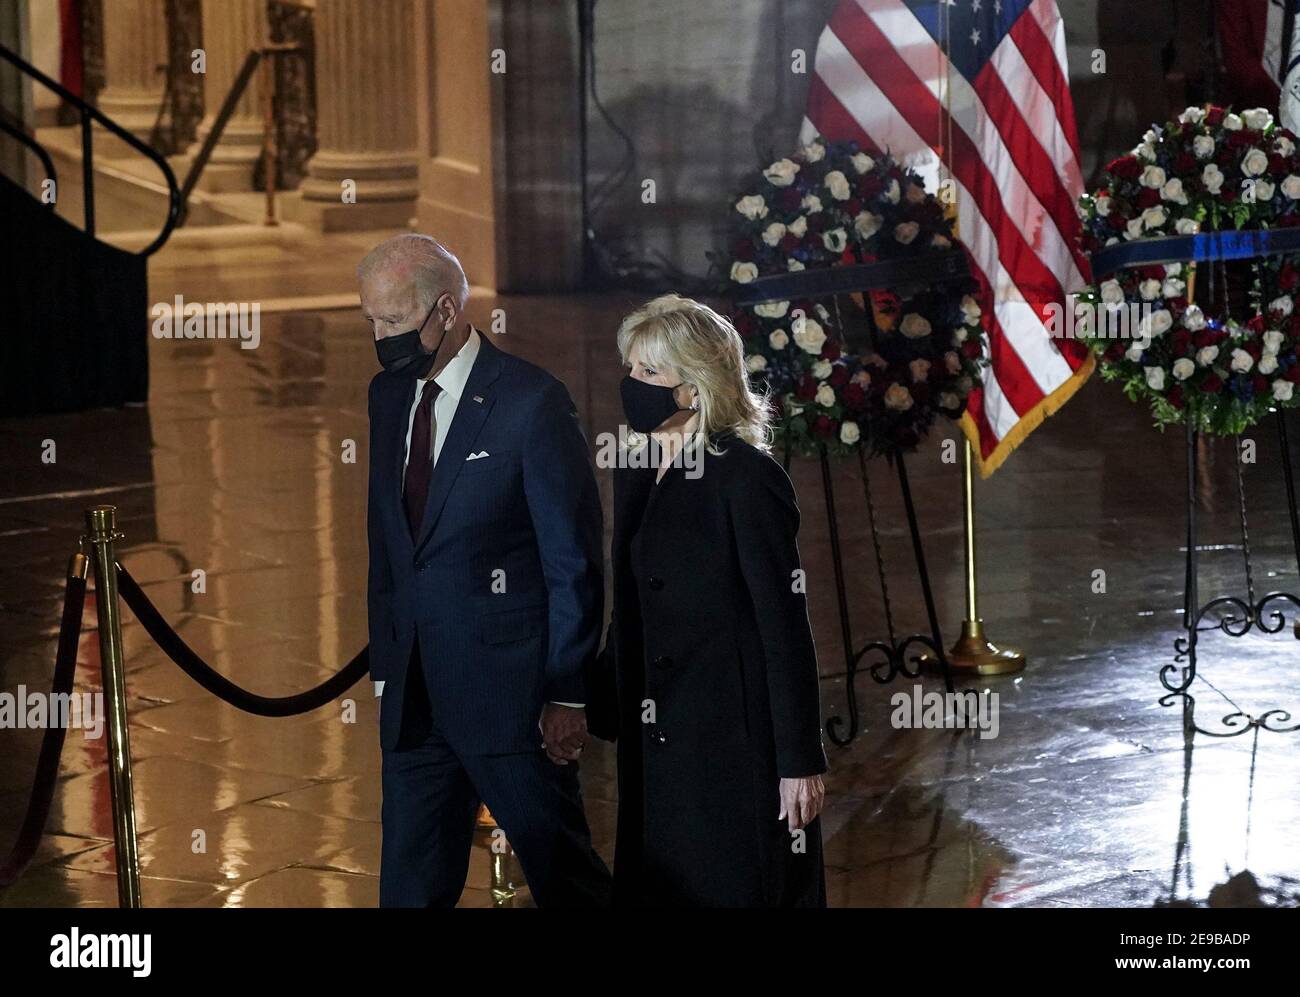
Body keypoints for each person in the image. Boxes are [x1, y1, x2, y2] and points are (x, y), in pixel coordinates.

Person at [360, 233, 611, 907]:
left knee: (568, 879)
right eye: (372, 321)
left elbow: (573, 559)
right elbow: (387, 544)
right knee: (410, 891)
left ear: (445, 309)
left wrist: (568, 691)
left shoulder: (532, 402)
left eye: (392, 321)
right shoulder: (388, 398)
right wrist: (387, 668)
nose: (380, 337)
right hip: (415, 702)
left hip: (513, 701)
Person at [589, 293, 828, 907]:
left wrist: (798, 759)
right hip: (656, 735)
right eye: (632, 369)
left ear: (694, 388)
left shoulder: (745, 479)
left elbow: (784, 625)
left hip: (731, 743)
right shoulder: (639, 465)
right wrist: (597, 700)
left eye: (650, 373)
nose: (632, 385)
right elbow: (635, 599)